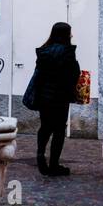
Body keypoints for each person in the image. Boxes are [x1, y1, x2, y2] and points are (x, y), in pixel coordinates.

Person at [32, 21, 80, 176]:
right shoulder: (67, 52)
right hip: (60, 97)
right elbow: (72, 74)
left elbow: (38, 75)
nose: (71, 35)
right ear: (64, 34)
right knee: (59, 130)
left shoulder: (44, 51)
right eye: (69, 32)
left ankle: (40, 155)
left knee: (45, 127)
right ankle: (54, 165)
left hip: (44, 97)